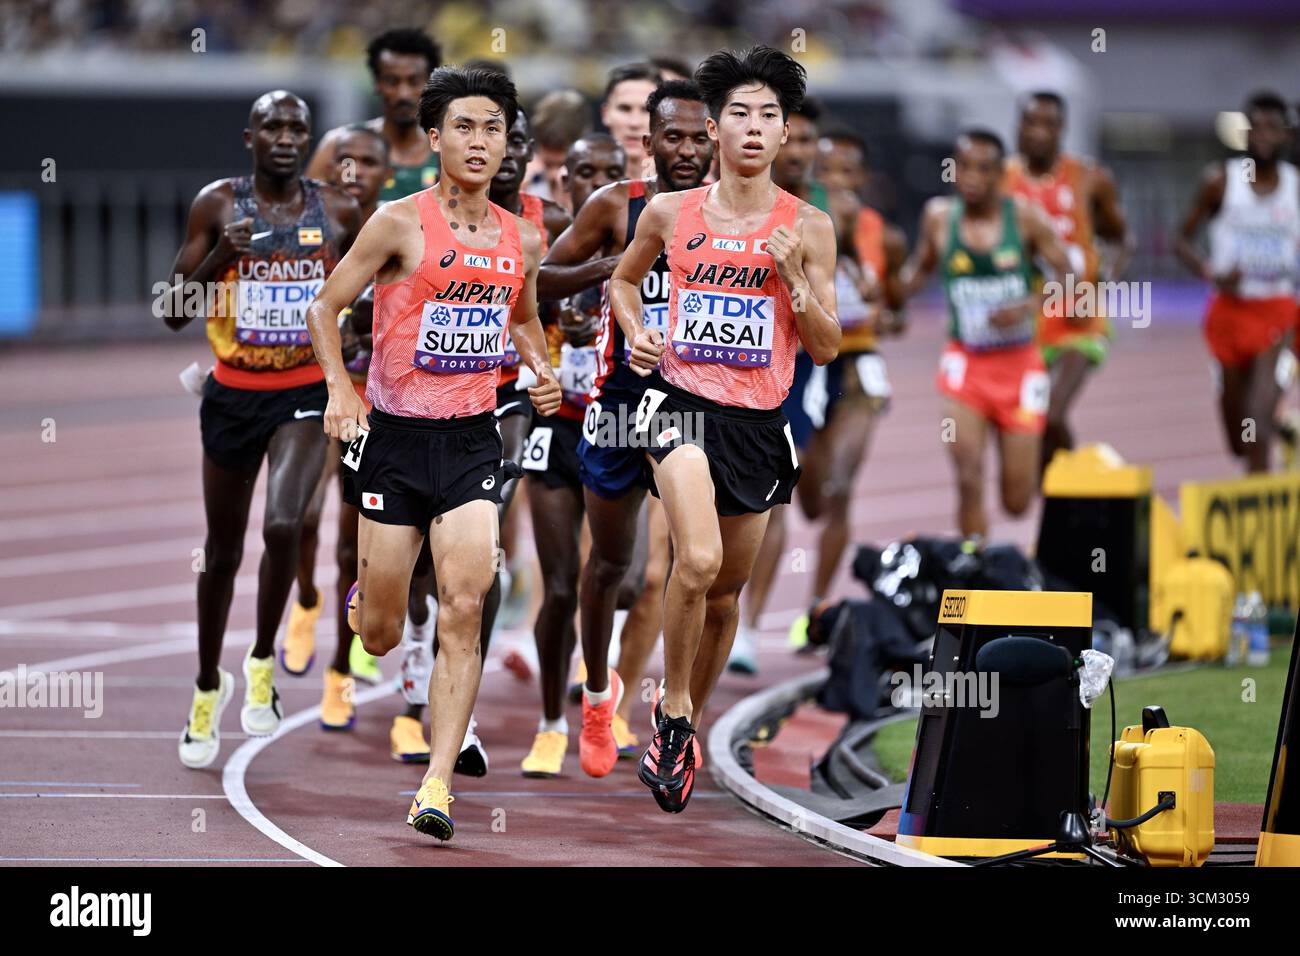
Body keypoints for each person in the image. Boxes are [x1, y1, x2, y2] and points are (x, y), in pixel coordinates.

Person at [306, 67, 562, 841]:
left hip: (472, 442)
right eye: (464, 127)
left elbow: (523, 319)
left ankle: (438, 783)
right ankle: (367, 606)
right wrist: (340, 392)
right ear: (434, 138)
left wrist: (541, 368)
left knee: (464, 602)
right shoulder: (396, 223)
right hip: (392, 441)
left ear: (508, 140)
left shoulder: (522, 234)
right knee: (381, 633)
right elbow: (325, 306)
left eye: (493, 129)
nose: (479, 142)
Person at [610, 47, 841, 812]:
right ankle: (671, 706)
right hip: (678, 405)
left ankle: (685, 726)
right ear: (713, 129)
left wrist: (796, 282)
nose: (753, 127)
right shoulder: (670, 214)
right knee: (698, 558)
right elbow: (621, 279)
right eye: (739, 113)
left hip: (758, 422)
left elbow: (827, 345)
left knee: (726, 592)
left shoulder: (807, 227)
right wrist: (638, 328)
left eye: (768, 116)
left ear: (784, 135)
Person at [165, 91, 361, 768]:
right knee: (221, 552)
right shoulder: (218, 204)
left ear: (307, 139)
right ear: (249, 137)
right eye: (272, 126)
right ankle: (205, 687)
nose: (284, 136)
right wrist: (220, 254)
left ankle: (259, 663)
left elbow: (364, 300)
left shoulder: (335, 208)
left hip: (303, 394)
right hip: (231, 396)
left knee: (285, 525)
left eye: (296, 128)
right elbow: (170, 310)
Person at [533, 81, 716, 777]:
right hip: (615, 407)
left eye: (701, 138)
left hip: (698, 409)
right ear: (650, 143)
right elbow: (539, 279)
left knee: (694, 568)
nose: (689, 150)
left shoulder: (737, 215)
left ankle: (678, 715)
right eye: (675, 136)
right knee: (613, 568)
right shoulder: (618, 206)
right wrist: (612, 270)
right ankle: (597, 694)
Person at [389, 105, 572, 770]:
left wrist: (548, 361)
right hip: (415, 407)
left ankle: (454, 719)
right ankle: (408, 645)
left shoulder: (541, 220)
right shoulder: (415, 214)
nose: (507, 149)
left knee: (480, 552)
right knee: (409, 570)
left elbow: (543, 296)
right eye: (492, 134)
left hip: (503, 399)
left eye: (515, 139)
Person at [729, 100, 883, 671]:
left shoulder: (831, 214)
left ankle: (780, 612)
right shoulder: (727, 197)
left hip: (810, 368)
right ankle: (730, 615)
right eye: (786, 138)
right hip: (732, 364)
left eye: (804, 141)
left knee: (800, 493)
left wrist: (838, 288)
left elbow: (871, 293)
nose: (795, 151)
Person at [901, 129, 1073, 538]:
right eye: (964, 167)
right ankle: (974, 566)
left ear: (999, 175)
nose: (972, 177)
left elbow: (1069, 275)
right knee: (968, 476)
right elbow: (919, 270)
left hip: (1020, 368)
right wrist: (888, 294)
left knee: (1016, 501)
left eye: (983, 168)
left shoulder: (1026, 219)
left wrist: (1028, 306)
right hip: (966, 366)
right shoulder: (940, 218)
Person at [280, 125, 392, 729]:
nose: (358, 172)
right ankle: (304, 596)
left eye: (370, 163)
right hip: (321, 388)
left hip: (380, 400)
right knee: (299, 515)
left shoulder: (409, 223)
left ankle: (340, 675)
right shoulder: (318, 223)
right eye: (345, 161)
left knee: (353, 545)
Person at [1004, 91, 1132, 475]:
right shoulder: (1001, 182)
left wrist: (1102, 281)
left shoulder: (1089, 178)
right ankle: (1060, 491)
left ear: (1063, 130)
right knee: (1033, 422)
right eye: (1032, 123)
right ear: (1019, 127)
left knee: (1052, 409)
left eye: (1049, 124)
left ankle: (1071, 489)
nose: (1040, 133)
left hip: (1080, 316)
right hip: (1028, 318)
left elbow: (1122, 239)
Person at [1176, 91, 1299, 473]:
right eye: (1255, 127)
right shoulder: (1221, 181)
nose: (1263, 135)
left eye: (1272, 128)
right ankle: (1286, 428)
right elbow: (1181, 239)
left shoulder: (1296, 186)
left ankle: (1262, 517)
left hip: (1278, 312)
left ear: (1287, 136)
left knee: (1256, 417)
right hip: (1229, 314)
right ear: (1244, 134)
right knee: (1239, 439)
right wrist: (1210, 271)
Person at [306, 28, 442, 201]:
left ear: (430, 84)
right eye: (392, 81)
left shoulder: (447, 150)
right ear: (377, 83)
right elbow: (309, 215)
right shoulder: (338, 144)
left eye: (414, 81)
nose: (403, 94)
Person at [601, 63, 662, 180]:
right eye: (624, 108)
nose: (635, 123)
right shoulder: (581, 184)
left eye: (646, 110)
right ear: (605, 114)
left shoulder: (685, 187)